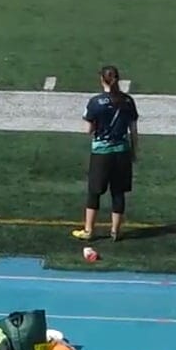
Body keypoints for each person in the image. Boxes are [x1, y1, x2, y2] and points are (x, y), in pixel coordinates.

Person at [73, 65, 138, 243]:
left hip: (102, 153)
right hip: (122, 151)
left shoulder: (95, 102)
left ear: (102, 80)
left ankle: (89, 230)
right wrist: (134, 151)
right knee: (118, 193)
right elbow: (133, 130)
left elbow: (88, 129)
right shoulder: (128, 101)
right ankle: (115, 231)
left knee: (94, 192)